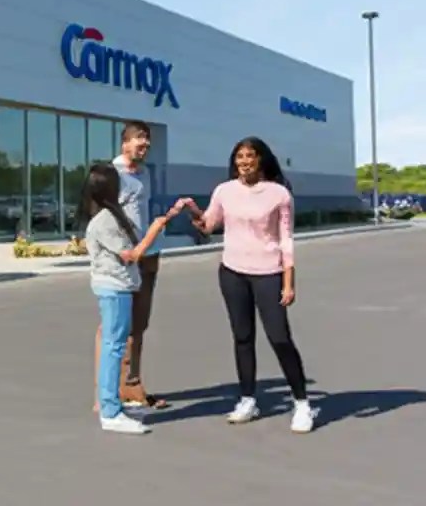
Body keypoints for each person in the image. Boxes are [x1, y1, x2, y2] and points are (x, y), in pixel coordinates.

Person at [181, 136, 319, 433]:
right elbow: (209, 225)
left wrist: (288, 281)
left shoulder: (279, 194)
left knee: (279, 337)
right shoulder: (224, 191)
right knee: (242, 337)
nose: (243, 162)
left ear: (261, 159)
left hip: (269, 272)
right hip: (232, 272)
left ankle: (303, 404)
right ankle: (247, 400)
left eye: (250, 156)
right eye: (239, 157)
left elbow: (286, 239)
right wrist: (193, 210)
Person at [80, 162, 183, 435]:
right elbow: (132, 255)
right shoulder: (103, 221)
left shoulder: (113, 215)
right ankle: (110, 411)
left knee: (116, 344)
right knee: (114, 347)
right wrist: (155, 230)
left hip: (121, 286)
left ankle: (112, 404)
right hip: (113, 288)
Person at [93, 120, 169, 412]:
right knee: (112, 327)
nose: (145, 143)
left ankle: (132, 386)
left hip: (147, 253)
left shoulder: (145, 174)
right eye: (139, 138)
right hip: (120, 257)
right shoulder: (110, 174)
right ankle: (104, 395)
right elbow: (99, 218)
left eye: (147, 139)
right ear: (124, 143)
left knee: (139, 324)